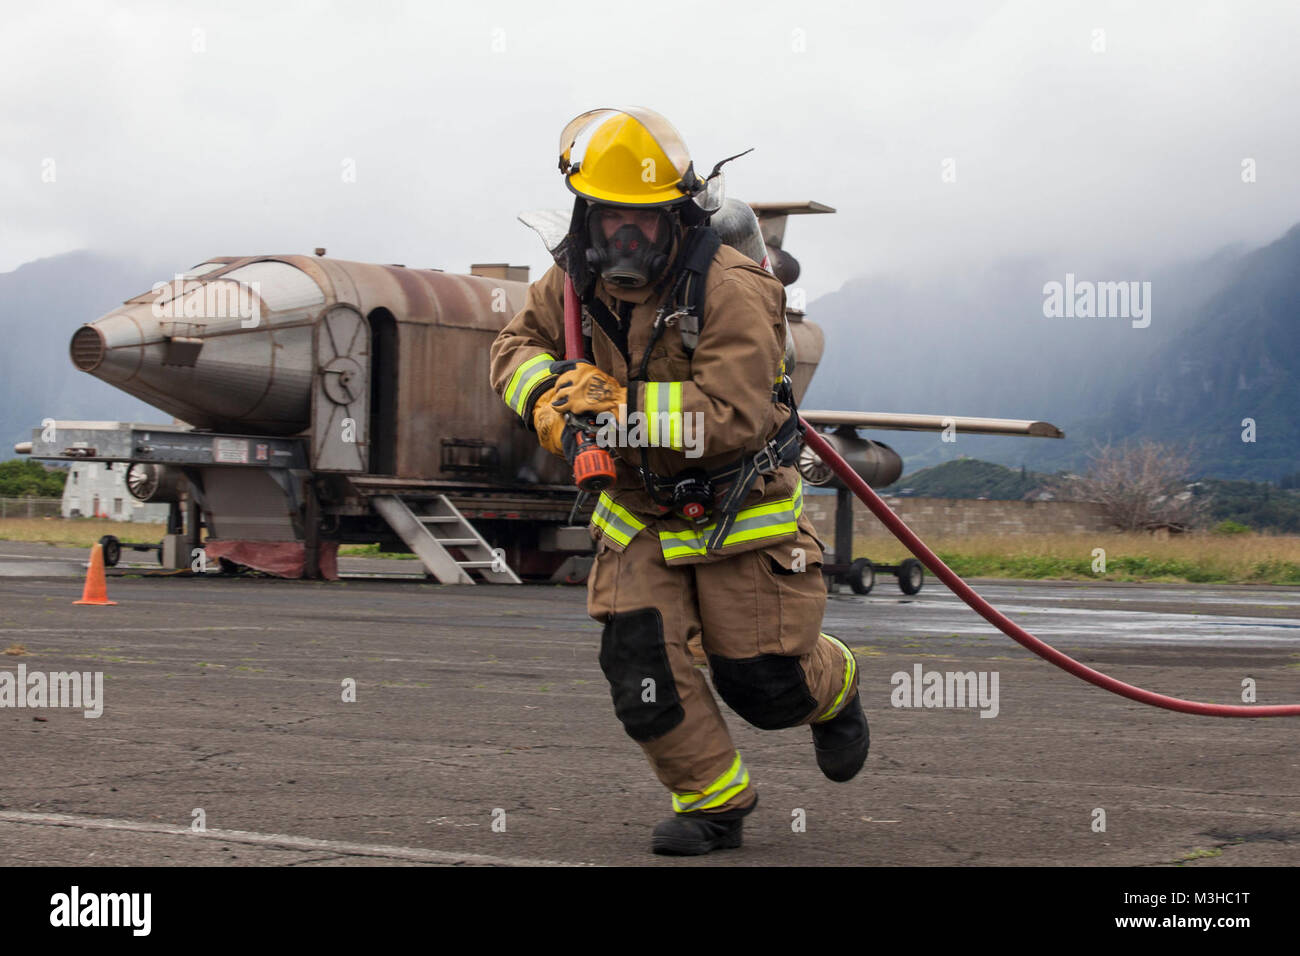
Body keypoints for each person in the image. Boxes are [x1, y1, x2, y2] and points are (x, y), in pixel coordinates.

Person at [490, 107, 867, 855]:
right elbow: (514, 347)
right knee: (640, 665)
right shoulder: (569, 279)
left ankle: (836, 683)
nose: (623, 242)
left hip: (735, 508)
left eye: (644, 225)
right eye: (609, 223)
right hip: (636, 514)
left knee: (762, 683)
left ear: (681, 217)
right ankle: (712, 800)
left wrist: (615, 412)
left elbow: (727, 416)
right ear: (585, 215)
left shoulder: (733, 290)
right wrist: (546, 398)